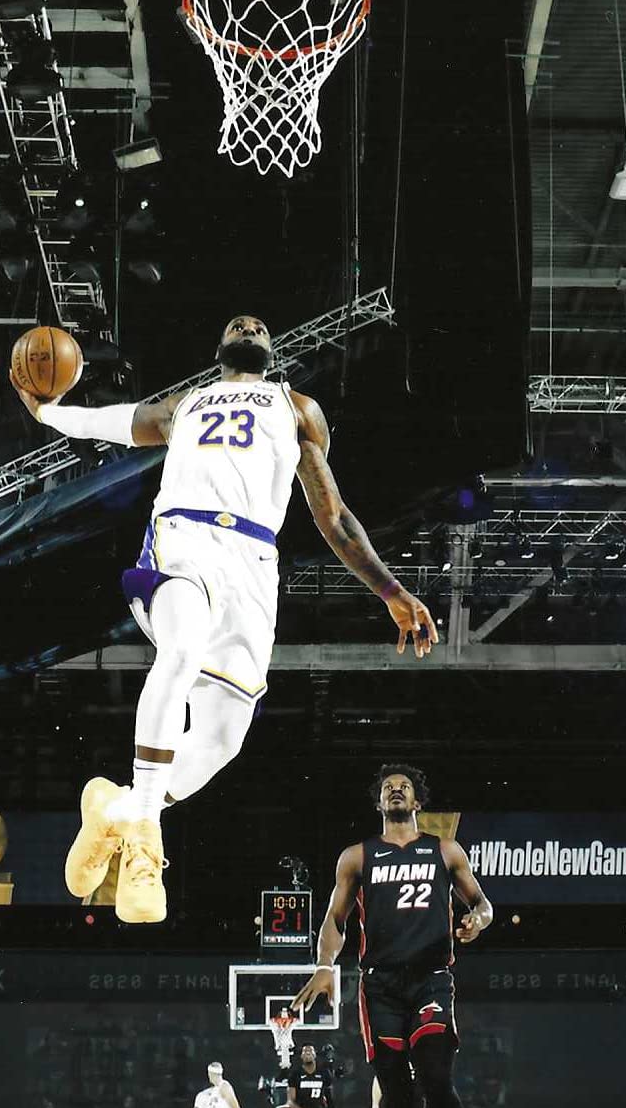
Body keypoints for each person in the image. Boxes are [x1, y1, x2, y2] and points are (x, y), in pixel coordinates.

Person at [22, 315, 439, 924]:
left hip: (252, 567)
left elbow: (334, 516)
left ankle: (114, 811)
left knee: (222, 738)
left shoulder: (296, 409)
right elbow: (112, 422)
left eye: (259, 325)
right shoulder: (186, 405)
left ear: (270, 352)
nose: (249, 325)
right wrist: (48, 415)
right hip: (183, 540)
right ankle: (143, 836)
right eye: (238, 324)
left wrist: (390, 590)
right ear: (220, 349)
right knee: (182, 649)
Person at [293, 766, 495, 1108]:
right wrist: (325, 966)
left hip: (430, 980)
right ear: (379, 802)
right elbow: (334, 919)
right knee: (397, 1100)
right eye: (388, 787)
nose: (396, 789)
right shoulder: (357, 857)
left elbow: (482, 904)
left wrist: (479, 921)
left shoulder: (444, 850)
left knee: (436, 1076)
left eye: (403, 785)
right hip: (380, 985)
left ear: (417, 800)